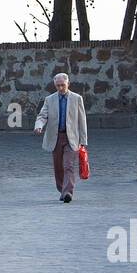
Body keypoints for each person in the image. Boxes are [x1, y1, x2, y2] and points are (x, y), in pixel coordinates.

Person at [34, 72, 89, 203]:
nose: (60, 88)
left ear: (68, 84)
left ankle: (68, 192)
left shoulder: (77, 98)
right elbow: (42, 115)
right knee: (58, 167)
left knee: (69, 165)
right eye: (57, 86)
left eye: (62, 85)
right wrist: (39, 126)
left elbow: (82, 120)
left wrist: (83, 140)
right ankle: (62, 190)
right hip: (55, 137)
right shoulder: (50, 99)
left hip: (72, 138)